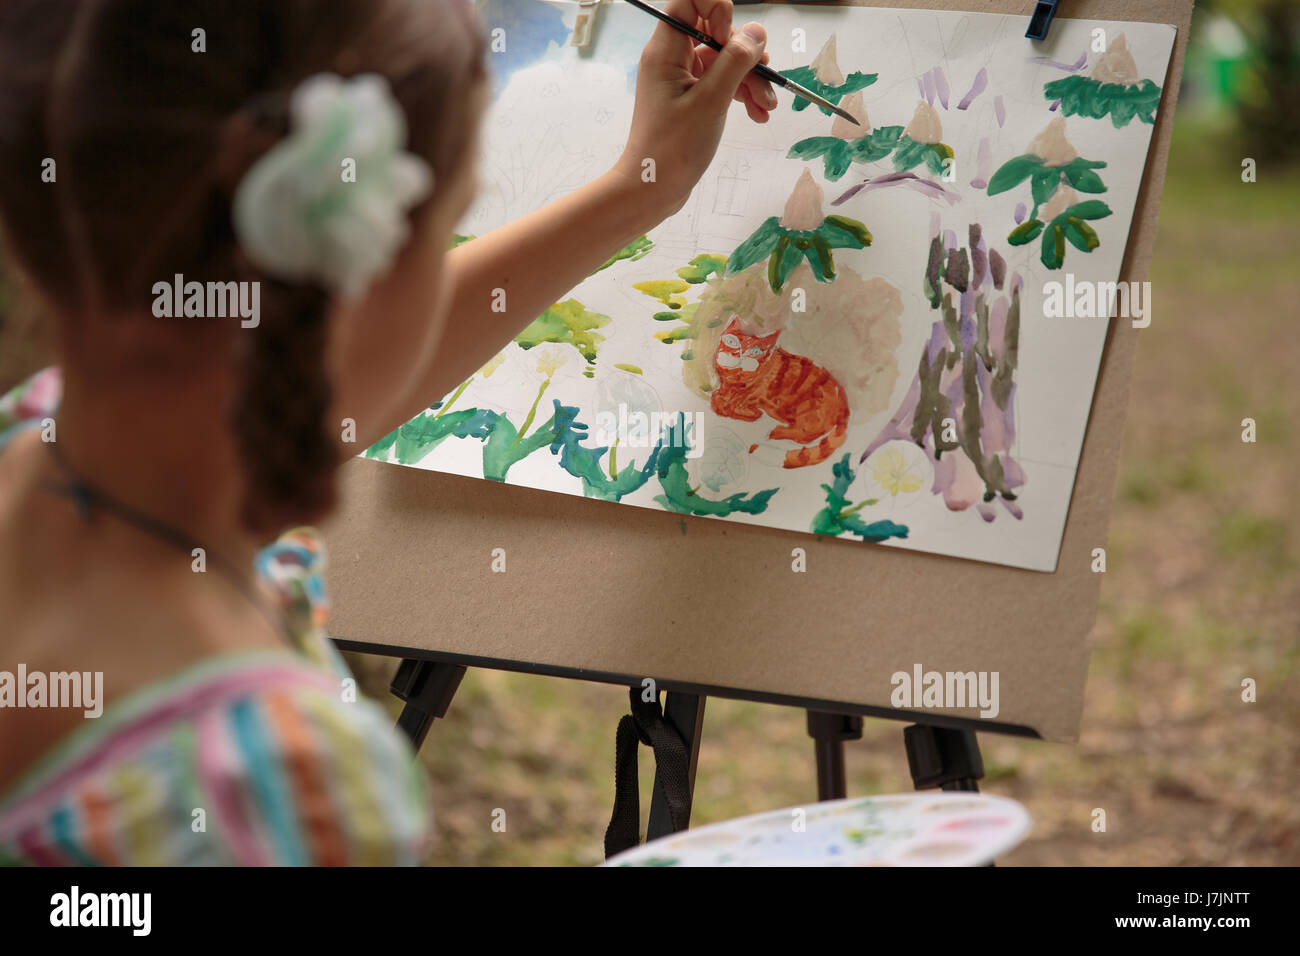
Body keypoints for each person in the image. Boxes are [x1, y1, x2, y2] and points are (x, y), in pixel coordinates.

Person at [0, 0, 773, 864]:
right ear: (346, 271)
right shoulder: (278, 793)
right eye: (446, 226)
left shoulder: (44, 430)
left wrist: (647, 183)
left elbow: (304, 362)